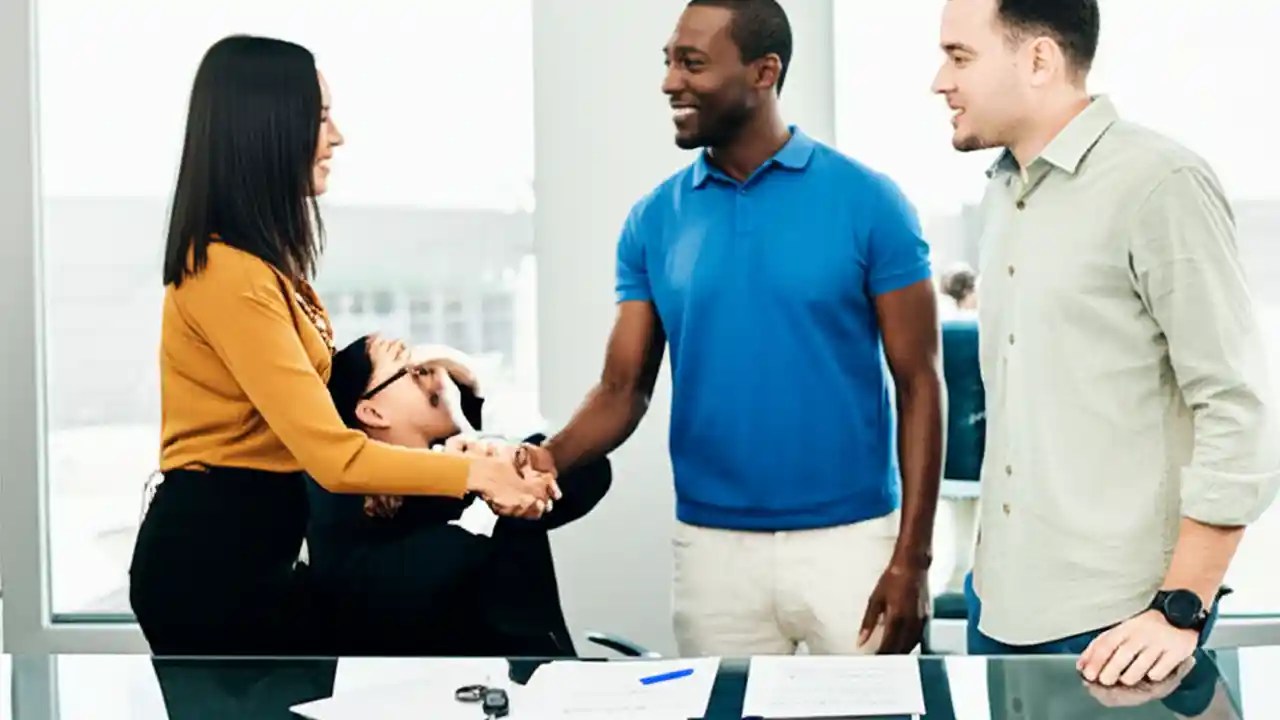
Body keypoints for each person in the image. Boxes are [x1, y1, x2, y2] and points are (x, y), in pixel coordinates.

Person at [523, 0, 945, 656]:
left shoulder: (869, 202)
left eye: (691, 63)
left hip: (854, 542)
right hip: (711, 551)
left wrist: (912, 560)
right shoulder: (653, 219)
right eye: (667, 62)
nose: (669, 82)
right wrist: (544, 460)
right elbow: (620, 389)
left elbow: (920, 384)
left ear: (763, 71)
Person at [128, 35, 557, 658]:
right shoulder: (227, 274)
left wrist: (450, 409)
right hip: (211, 564)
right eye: (322, 115)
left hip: (258, 550)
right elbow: (333, 457)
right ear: (270, 127)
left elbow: (320, 410)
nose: (337, 137)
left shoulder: (267, 271)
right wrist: (479, 472)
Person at [932, 0, 1280, 685]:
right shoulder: (1004, 192)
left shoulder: (1159, 183)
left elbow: (1240, 408)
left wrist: (1179, 609)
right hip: (997, 607)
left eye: (960, 56)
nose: (939, 80)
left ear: (1038, 59)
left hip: (1119, 627)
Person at [307, 336, 613, 657]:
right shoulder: (342, 500)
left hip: (538, 686)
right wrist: (484, 499)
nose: (438, 378)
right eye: (414, 372)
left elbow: (591, 472)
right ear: (372, 412)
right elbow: (391, 592)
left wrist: (483, 441)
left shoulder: (485, 460)